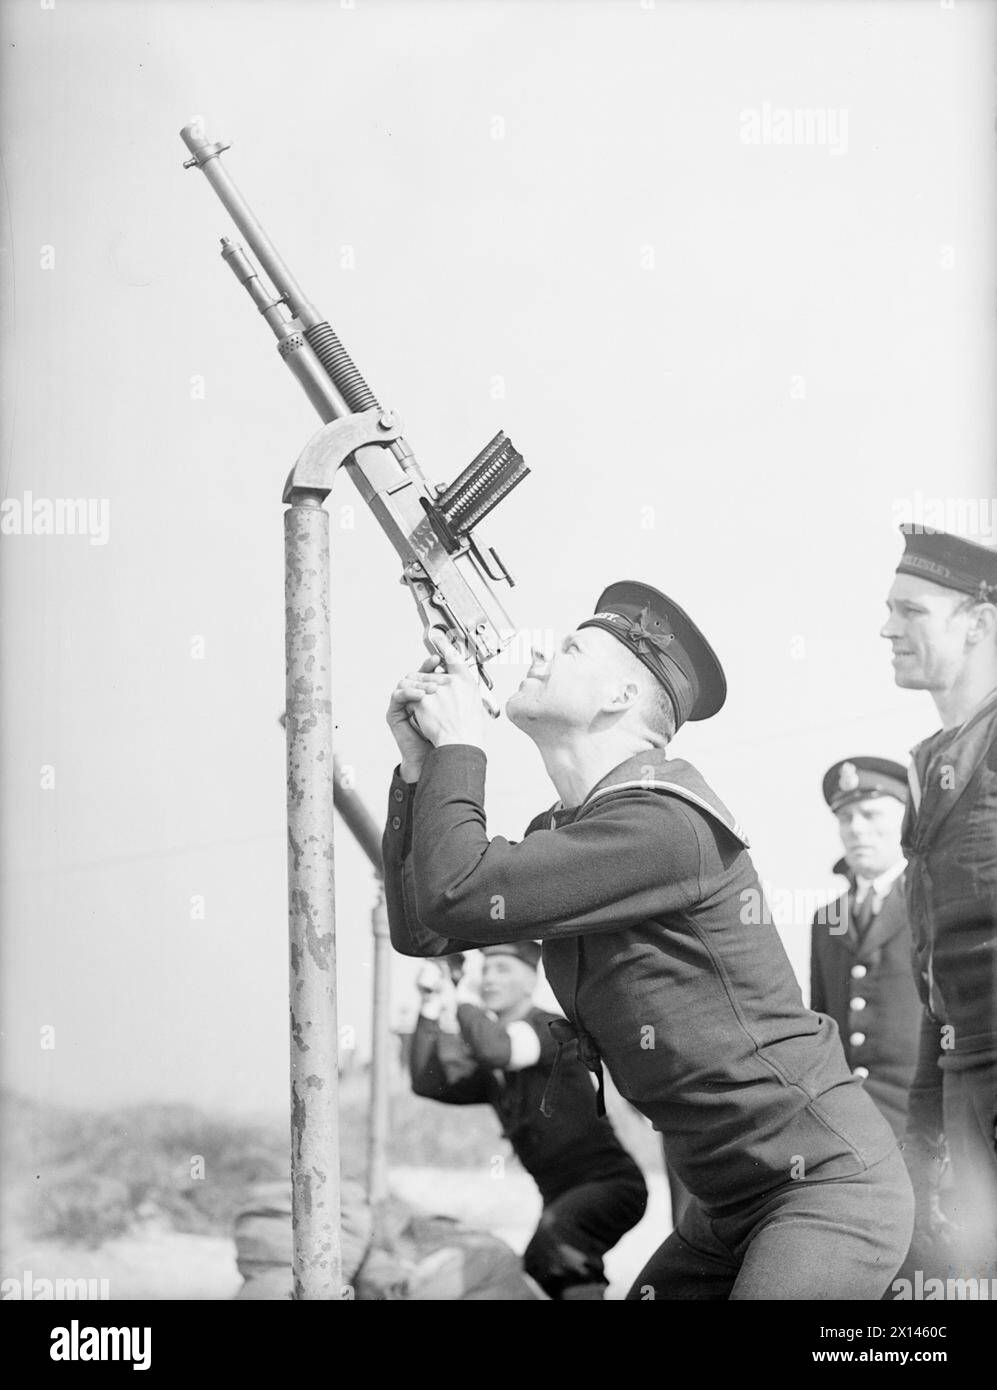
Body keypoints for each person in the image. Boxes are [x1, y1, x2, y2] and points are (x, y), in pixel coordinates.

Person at [382, 580, 914, 1300]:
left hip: (822, 1187)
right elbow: (427, 925)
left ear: (618, 699)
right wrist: (421, 767)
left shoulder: (663, 825)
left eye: (569, 648)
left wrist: (460, 746)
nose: (538, 652)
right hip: (726, 1205)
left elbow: (458, 890)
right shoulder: (573, 833)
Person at [881, 524, 997, 1280]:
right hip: (964, 1072)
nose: (885, 628)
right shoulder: (932, 759)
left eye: (910, 611)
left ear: (979, 622)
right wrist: (923, 1117)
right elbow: (934, 955)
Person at [408, 941, 648, 1299]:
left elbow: (498, 1049)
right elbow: (428, 1082)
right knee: (546, 1266)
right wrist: (430, 1004)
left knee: (555, 1245)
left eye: (503, 969)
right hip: (559, 1196)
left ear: (529, 982)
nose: (490, 978)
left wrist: (461, 994)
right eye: (486, 969)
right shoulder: (495, 1066)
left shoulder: (551, 1029)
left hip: (611, 1186)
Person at [810, 757, 921, 1139]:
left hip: (923, 1122)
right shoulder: (827, 920)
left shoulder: (930, 900)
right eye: (846, 818)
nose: (857, 830)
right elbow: (823, 1023)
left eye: (871, 815)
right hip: (851, 1126)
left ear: (906, 820)